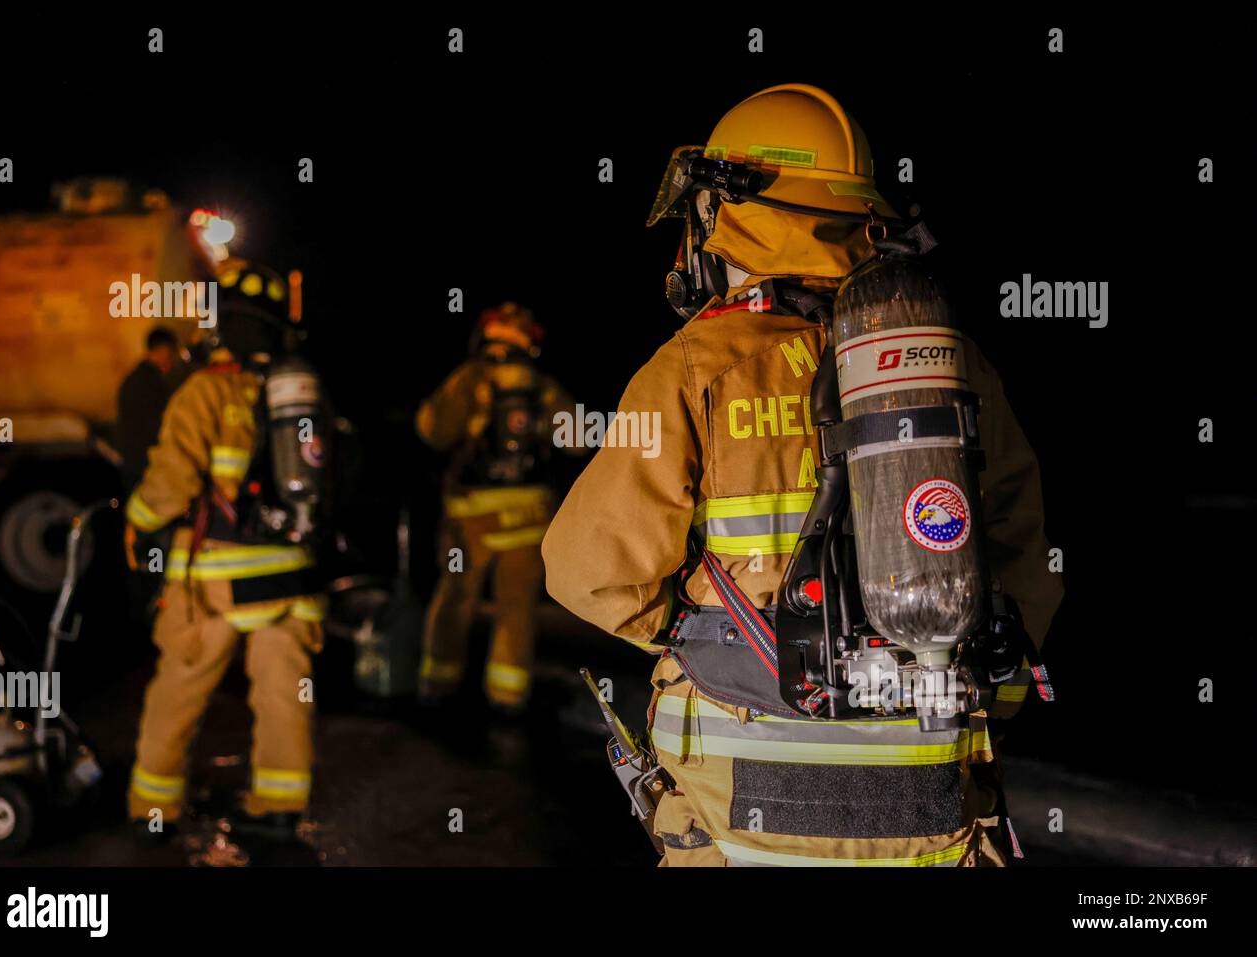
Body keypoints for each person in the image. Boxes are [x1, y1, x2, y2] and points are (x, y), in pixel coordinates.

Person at [541, 84, 1064, 866]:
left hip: (739, 812)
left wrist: (697, 633)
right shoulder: (950, 363)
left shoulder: (695, 366)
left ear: (725, 213)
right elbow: (1025, 565)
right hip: (928, 800)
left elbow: (587, 571)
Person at [123, 262, 325, 841]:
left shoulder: (205, 391)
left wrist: (135, 523)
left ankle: (153, 807)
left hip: (215, 582)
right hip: (291, 579)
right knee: (284, 692)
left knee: (178, 690)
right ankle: (281, 806)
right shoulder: (303, 392)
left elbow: (172, 483)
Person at [415, 303, 575, 713]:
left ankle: (438, 684)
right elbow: (578, 438)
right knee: (517, 606)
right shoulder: (541, 385)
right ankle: (508, 696)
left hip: (471, 520)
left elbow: (433, 431)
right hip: (530, 518)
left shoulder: (471, 377)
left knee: (455, 596)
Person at [117, 326, 179, 493]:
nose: (172, 360)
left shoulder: (136, 379)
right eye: (171, 353)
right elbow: (157, 427)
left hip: (135, 464)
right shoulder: (148, 384)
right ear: (163, 350)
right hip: (144, 467)